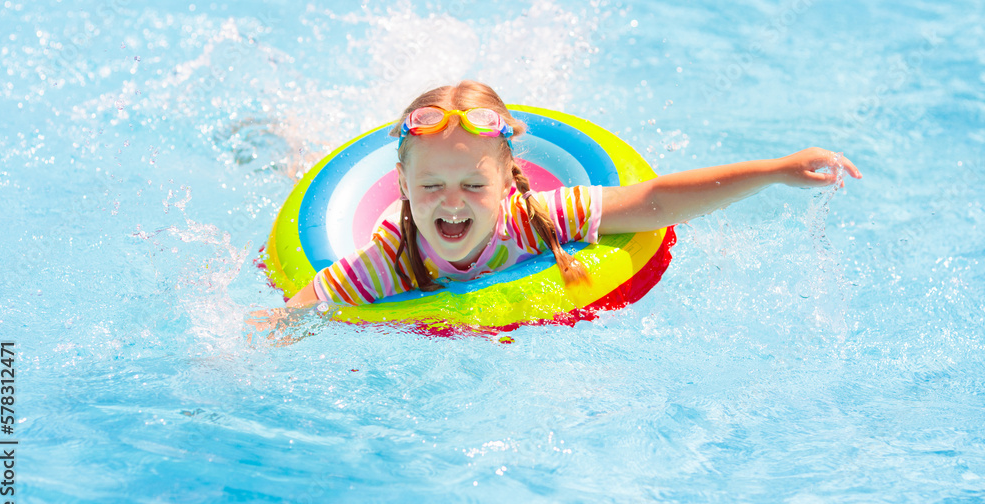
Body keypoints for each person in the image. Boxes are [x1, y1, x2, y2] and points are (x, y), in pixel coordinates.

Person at [282, 79, 861, 311]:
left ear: (509, 181)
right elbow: (302, 308)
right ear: (403, 186)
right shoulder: (390, 260)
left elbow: (655, 202)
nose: (451, 203)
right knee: (294, 161)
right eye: (431, 186)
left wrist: (774, 170)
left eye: (474, 185)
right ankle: (286, 140)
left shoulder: (536, 218)